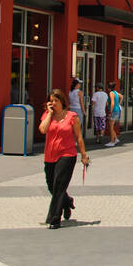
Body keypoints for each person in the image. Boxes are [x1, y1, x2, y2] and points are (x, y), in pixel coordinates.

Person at [38, 88, 90, 229]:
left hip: (67, 155)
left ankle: (54, 218)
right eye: (51, 101)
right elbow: (42, 130)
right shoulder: (47, 115)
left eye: (56, 101)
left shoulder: (71, 116)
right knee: (51, 185)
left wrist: (83, 155)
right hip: (50, 155)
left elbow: (78, 137)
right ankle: (67, 202)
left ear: (62, 102)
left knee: (59, 185)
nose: (53, 103)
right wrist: (49, 114)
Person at [106, 80, 123, 146]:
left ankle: (112, 141)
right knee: (111, 126)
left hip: (113, 111)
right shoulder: (115, 92)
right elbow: (121, 96)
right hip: (117, 110)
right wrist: (118, 104)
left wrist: (110, 111)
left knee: (110, 127)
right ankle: (115, 139)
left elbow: (112, 103)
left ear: (109, 88)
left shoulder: (111, 93)